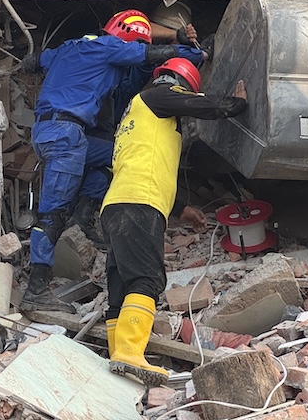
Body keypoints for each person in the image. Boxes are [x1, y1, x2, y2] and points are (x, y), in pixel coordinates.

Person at [22, 10, 205, 313]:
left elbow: (34, 62)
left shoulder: (69, 48)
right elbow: (156, 54)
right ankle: (35, 290)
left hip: (55, 131)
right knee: (51, 215)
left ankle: (83, 219)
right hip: (66, 135)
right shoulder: (109, 47)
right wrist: (187, 44)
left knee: (117, 154)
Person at [102, 58, 247, 386]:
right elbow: (201, 105)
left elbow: (148, 162)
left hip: (118, 204)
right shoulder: (158, 96)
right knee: (147, 279)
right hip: (140, 202)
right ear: (178, 84)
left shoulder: (137, 115)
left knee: (122, 284)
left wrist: (181, 208)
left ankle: (117, 354)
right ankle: (129, 353)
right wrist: (235, 104)